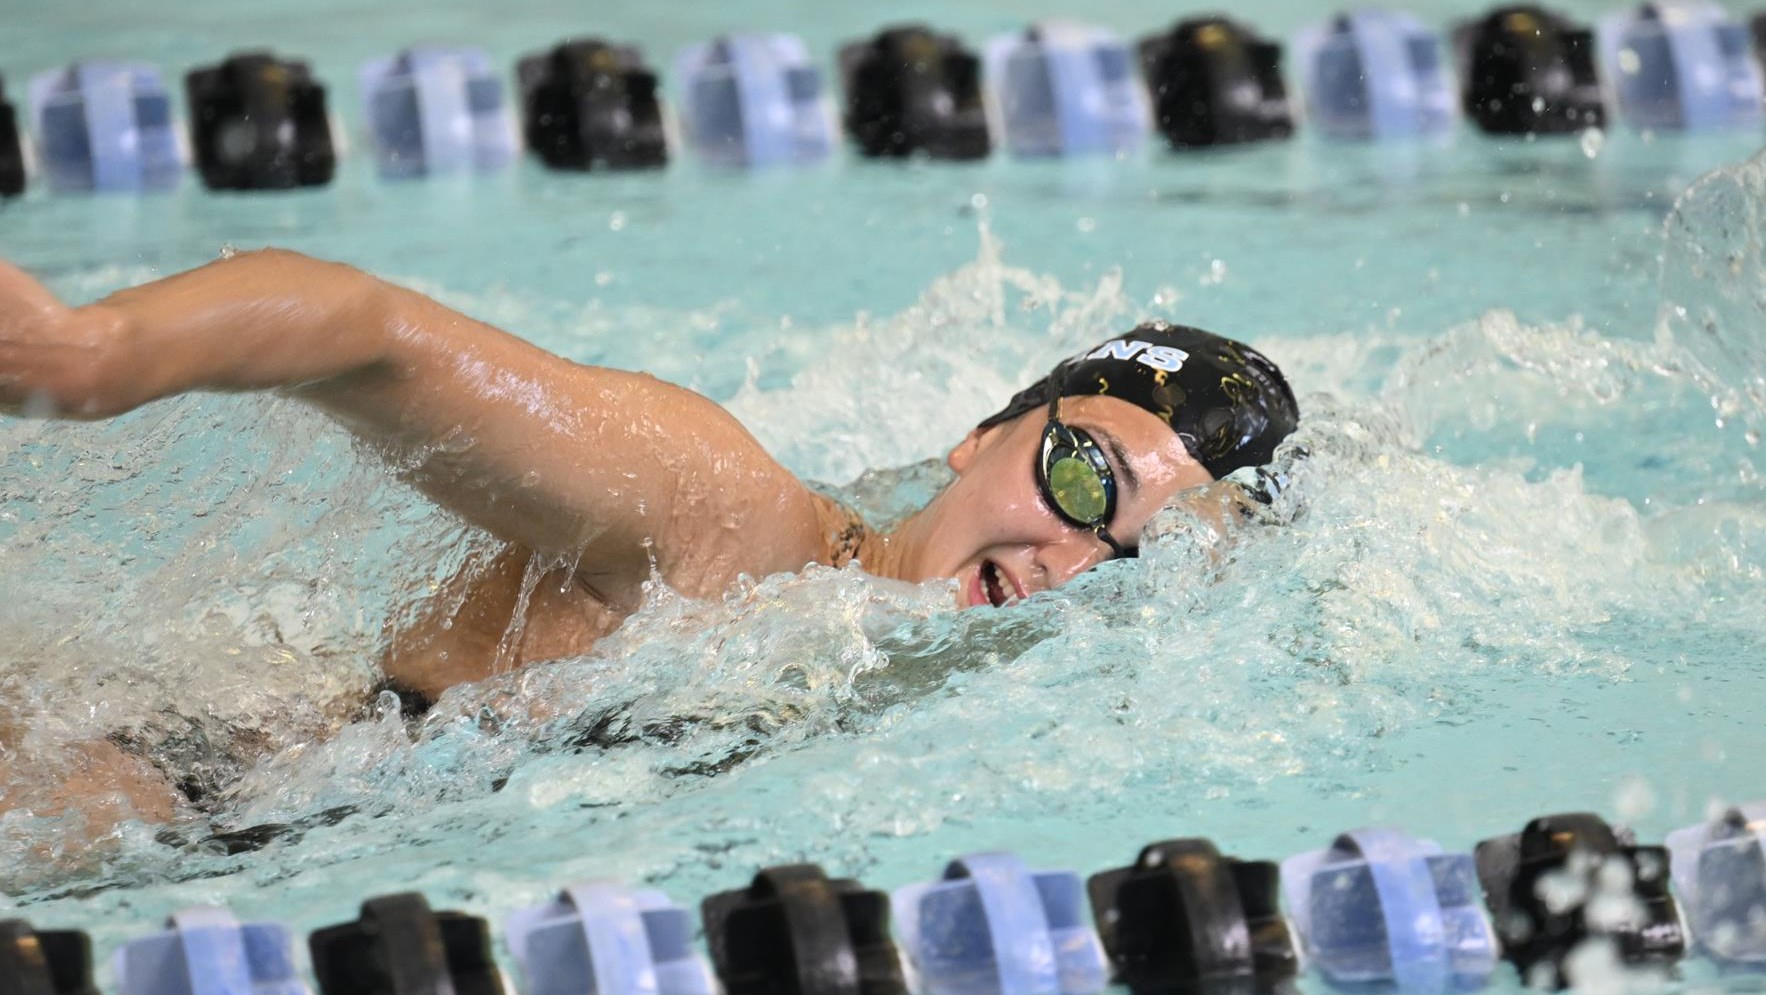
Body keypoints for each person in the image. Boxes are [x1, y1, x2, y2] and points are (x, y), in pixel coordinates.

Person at [0, 249, 1296, 778]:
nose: (1070, 560)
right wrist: (93, 353)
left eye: (1136, 556)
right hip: (157, 797)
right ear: (983, 435)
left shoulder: (948, 692)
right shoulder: (725, 522)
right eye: (1085, 481)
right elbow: (372, 332)